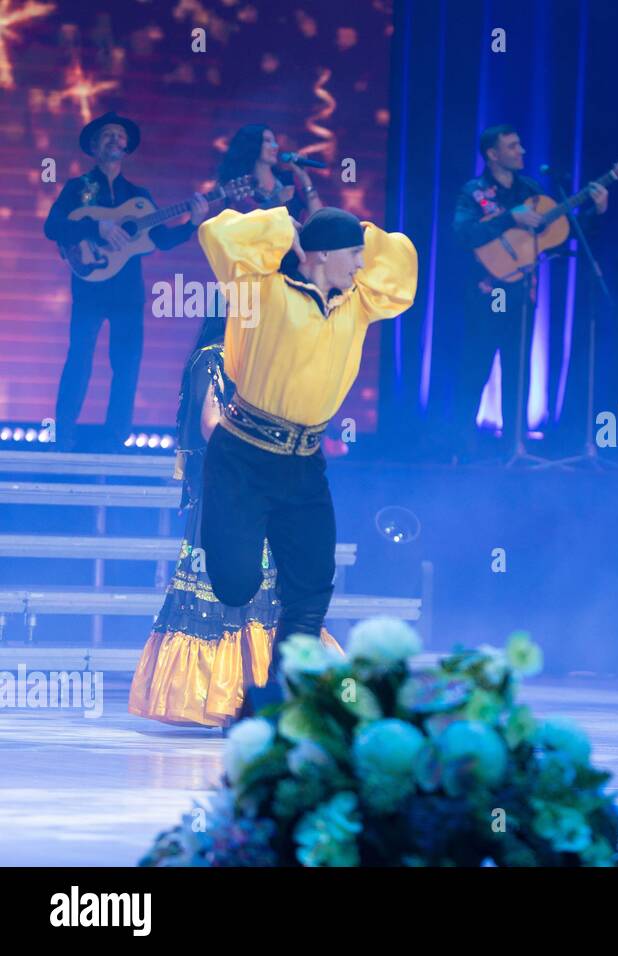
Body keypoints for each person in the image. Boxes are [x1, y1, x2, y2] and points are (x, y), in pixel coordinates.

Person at [195, 204, 417, 713]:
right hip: (242, 456)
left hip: (304, 465)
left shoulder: (358, 304)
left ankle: (275, 702)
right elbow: (218, 234)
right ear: (318, 256)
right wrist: (286, 229)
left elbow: (400, 273)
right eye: (353, 254)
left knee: (312, 586)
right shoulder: (263, 291)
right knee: (235, 583)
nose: (362, 263)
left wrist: (358, 230)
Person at [127, 313, 344, 728]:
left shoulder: (261, 363)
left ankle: (270, 691)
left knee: (276, 589)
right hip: (231, 488)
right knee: (230, 590)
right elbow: (210, 425)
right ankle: (223, 696)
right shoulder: (213, 358)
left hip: (268, 488)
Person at [43, 112, 209, 450]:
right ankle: (63, 435)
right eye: (107, 135)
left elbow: (161, 240)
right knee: (79, 359)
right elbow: (53, 227)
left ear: (127, 147)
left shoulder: (139, 196)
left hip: (128, 293)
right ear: (93, 145)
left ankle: (115, 438)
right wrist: (96, 227)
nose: (115, 140)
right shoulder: (78, 188)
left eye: (120, 136)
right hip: (89, 287)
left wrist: (193, 222)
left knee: (127, 365)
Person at [450, 124, 608, 460]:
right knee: (476, 366)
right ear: (492, 154)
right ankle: (460, 449)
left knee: (518, 369)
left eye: (520, 144)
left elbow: (566, 235)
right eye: (512, 146)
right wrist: (510, 218)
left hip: (523, 291)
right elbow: (463, 234)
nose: (521, 151)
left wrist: (595, 210)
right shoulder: (474, 191)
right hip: (489, 291)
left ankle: (515, 448)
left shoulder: (532, 191)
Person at [217, 123, 323, 221]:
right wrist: (277, 200)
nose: (275, 146)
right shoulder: (240, 188)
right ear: (253, 145)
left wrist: (304, 178)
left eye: (274, 142)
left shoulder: (290, 180)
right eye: (268, 141)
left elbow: (320, 219)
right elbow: (251, 223)